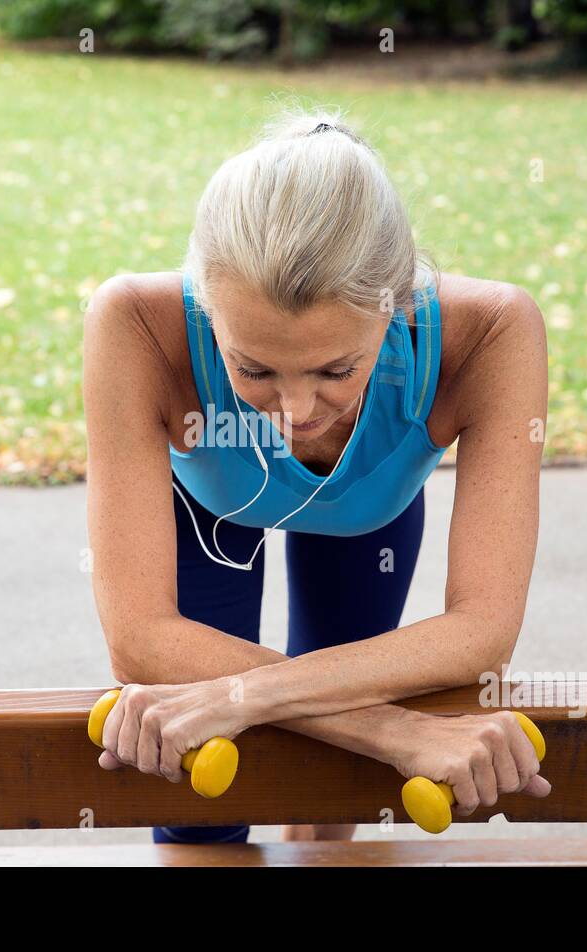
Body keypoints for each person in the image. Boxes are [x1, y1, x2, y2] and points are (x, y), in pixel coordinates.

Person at [82, 107, 551, 844]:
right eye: (253, 367)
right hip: (208, 506)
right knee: (197, 806)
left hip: (369, 513)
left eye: (338, 369)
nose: (295, 409)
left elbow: (483, 631)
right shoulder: (136, 322)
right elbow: (140, 637)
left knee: (333, 800)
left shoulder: (490, 330)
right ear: (205, 304)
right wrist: (397, 734)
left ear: (398, 305)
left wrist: (239, 693)